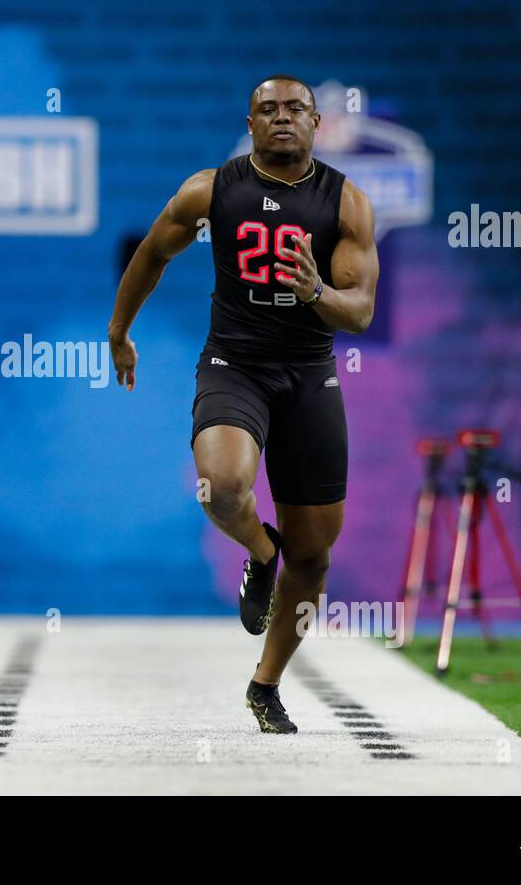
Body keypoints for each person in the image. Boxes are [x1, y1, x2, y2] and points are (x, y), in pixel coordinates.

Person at [107, 75, 379, 733]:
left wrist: (316, 292)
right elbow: (151, 253)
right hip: (235, 365)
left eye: (294, 108)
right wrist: (119, 332)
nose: (282, 118)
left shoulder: (346, 203)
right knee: (222, 485)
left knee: (314, 556)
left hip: (308, 376)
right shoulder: (213, 189)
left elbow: (361, 312)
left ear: (317, 120)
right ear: (249, 122)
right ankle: (260, 551)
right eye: (267, 109)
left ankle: (266, 684)